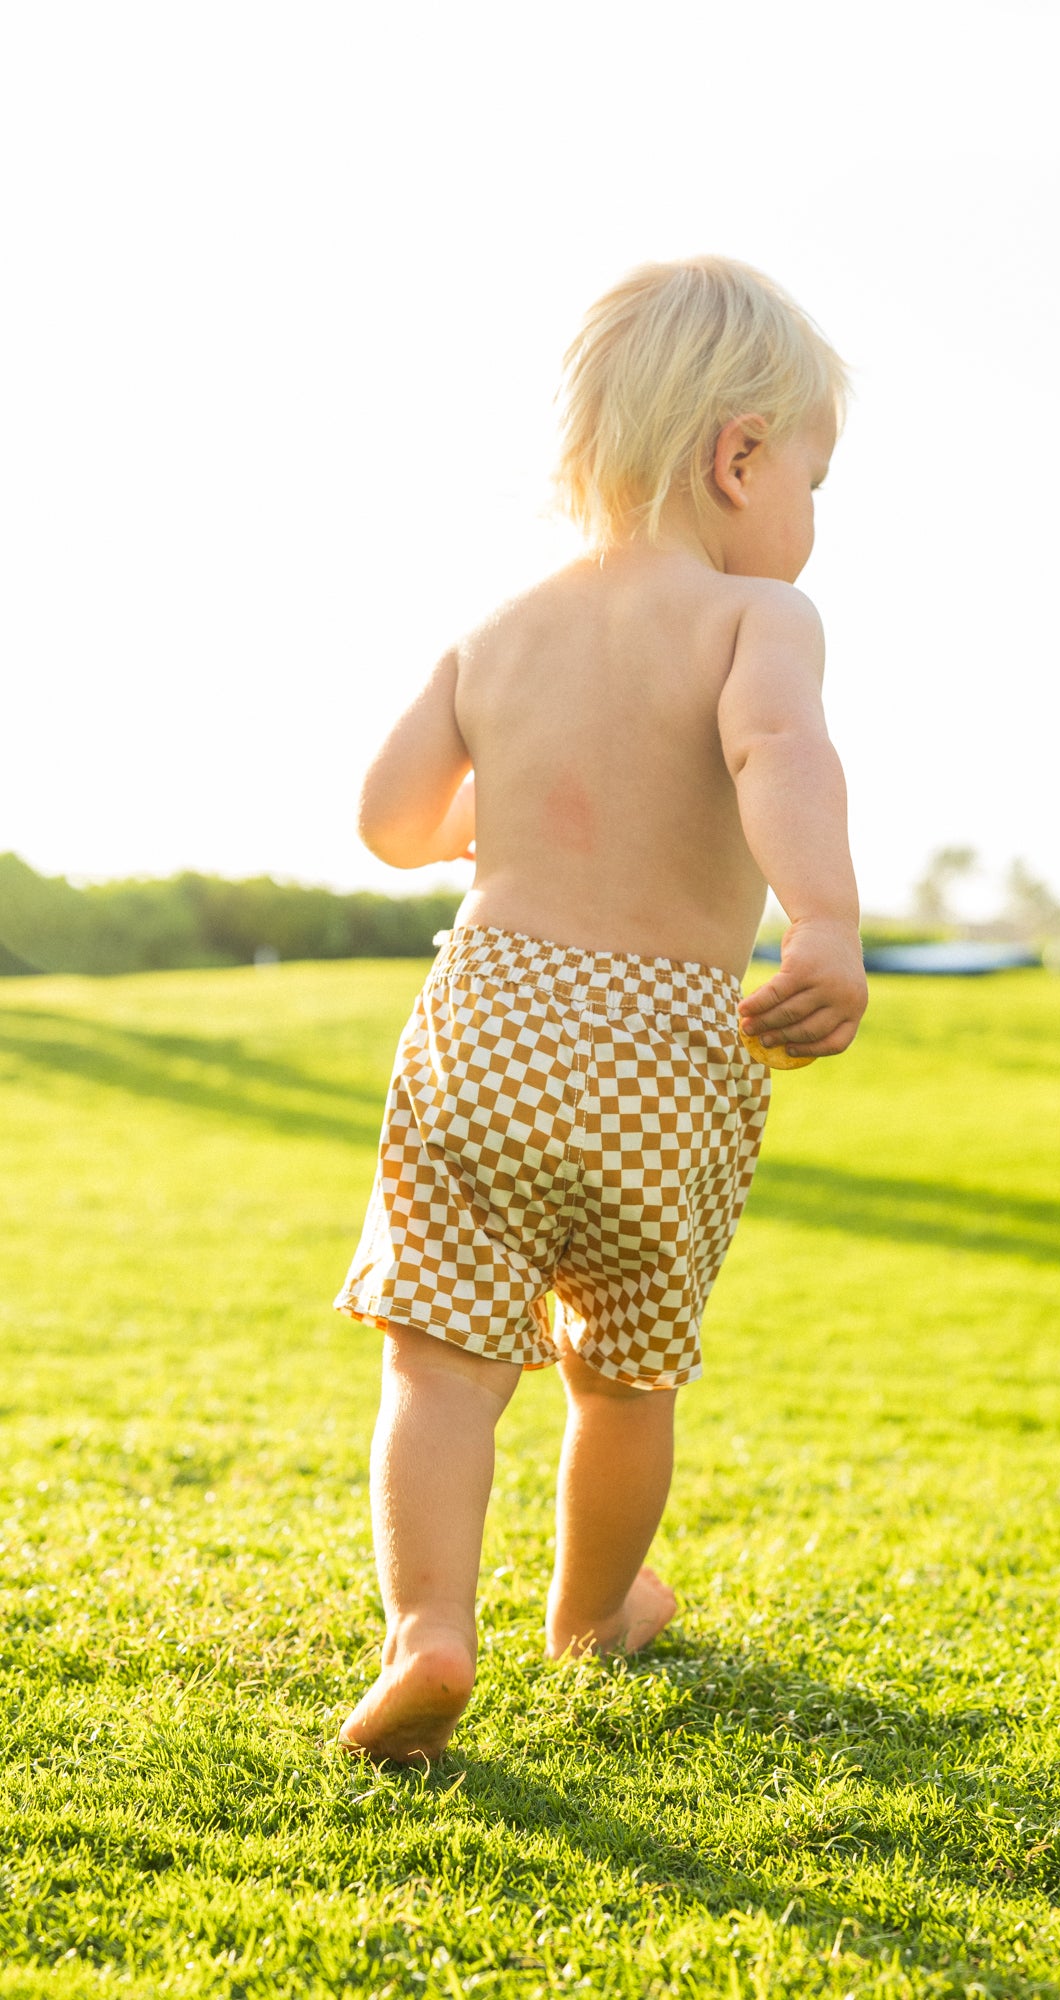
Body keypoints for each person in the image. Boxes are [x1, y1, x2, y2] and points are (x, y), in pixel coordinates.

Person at [334, 256, 868, 1763]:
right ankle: (590, 1612)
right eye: (815, 481)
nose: (811, 519)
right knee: (622, 1371)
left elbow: (387, 820)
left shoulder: (497, 628)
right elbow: (781, 762)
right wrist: (819, 923)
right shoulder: (755, 619)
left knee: (439, 1363)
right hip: (669, 1044)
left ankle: (429, 1629)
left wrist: (490, 835)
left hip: (486, 1016)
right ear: (740, 455)